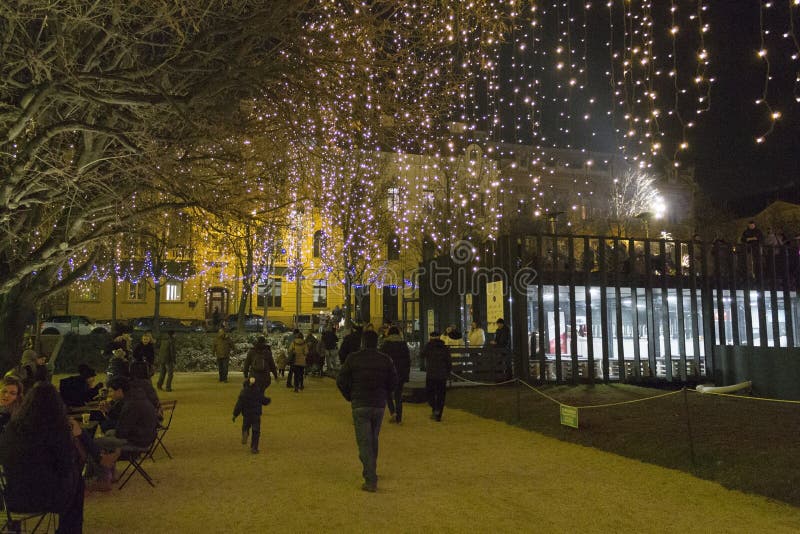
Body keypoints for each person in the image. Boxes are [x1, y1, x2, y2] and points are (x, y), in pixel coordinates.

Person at [0, 382, 84, 533]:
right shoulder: (57, 429)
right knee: (78, 481)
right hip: (44, 499)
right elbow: (65, 466)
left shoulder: (12, 428)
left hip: (11, 498)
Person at [336, 330, 398, 492]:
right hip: (378, 404)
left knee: (364, 441)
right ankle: (371, 469)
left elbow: (341, 380)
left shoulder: (353, 359)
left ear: (362, 342)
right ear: (376, 342)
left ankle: (370, 477)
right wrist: (384, 394)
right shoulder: (385, 360)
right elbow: (393, 381)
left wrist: (349, 396)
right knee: (373, 438)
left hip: (360, 403)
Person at [232, 377, 271, 454]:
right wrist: (269, 400)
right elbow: (264, 401)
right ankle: (254, 447)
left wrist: (235, 415)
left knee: (245, 426)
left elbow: (239, 405)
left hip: (246, 414)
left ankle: (245, 432)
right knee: (256, 431)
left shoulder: (243, 393)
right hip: (256, 414)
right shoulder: (258, 392)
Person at [379, 326, 410, 424]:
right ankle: (399, 418)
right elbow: (408, 360)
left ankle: (393, 412)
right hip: (400, 372)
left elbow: (382, 360)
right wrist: (406, 374)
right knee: (398, 394)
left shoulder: (385, 344)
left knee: (388, 393)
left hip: (389, 373)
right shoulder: (403, 344)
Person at [421, 332, 451, 422]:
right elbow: (448, 361)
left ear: (431, 338)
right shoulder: (444, 347)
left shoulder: (428, 347)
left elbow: (421, 355)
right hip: (442, 375)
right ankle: (439, 414)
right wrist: (448, 372)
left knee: (430, 393)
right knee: (441, 394)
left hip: (431, 374)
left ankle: (434, 407)